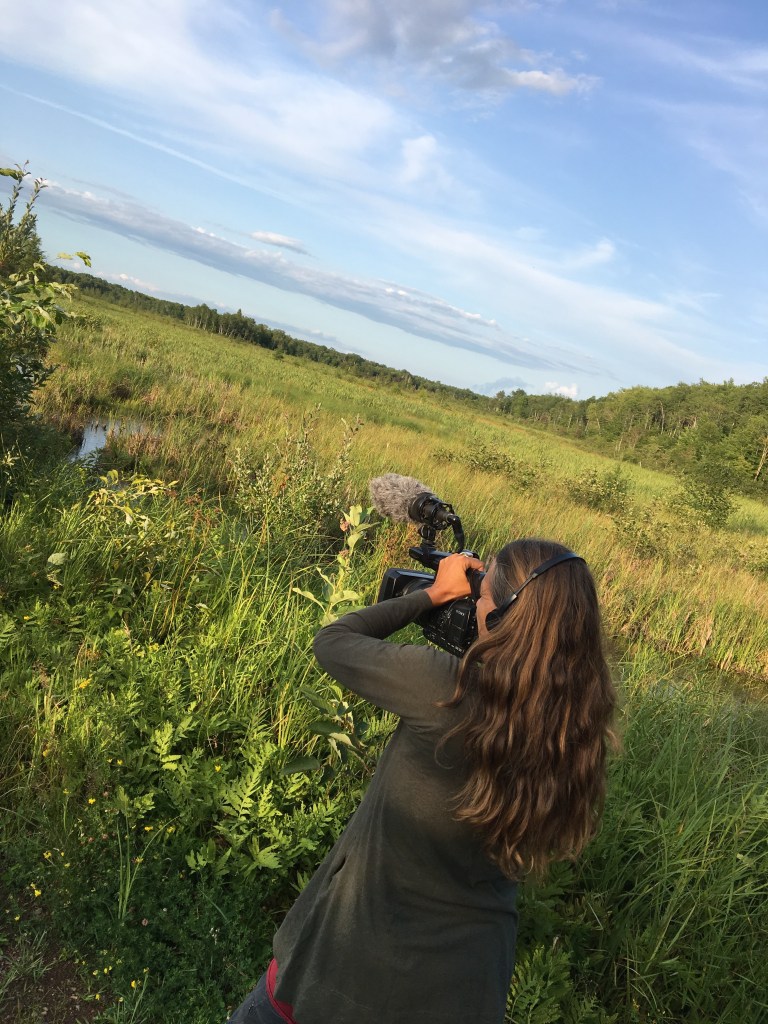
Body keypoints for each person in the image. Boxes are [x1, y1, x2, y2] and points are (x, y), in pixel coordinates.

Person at [228, 538, 617, 1024]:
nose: (473, 601)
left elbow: (334, 642)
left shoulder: (445, 688)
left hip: (349, 972)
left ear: (499, 620)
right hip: (466, 989)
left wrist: (432, 595)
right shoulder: (575, 733)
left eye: (482, 594)